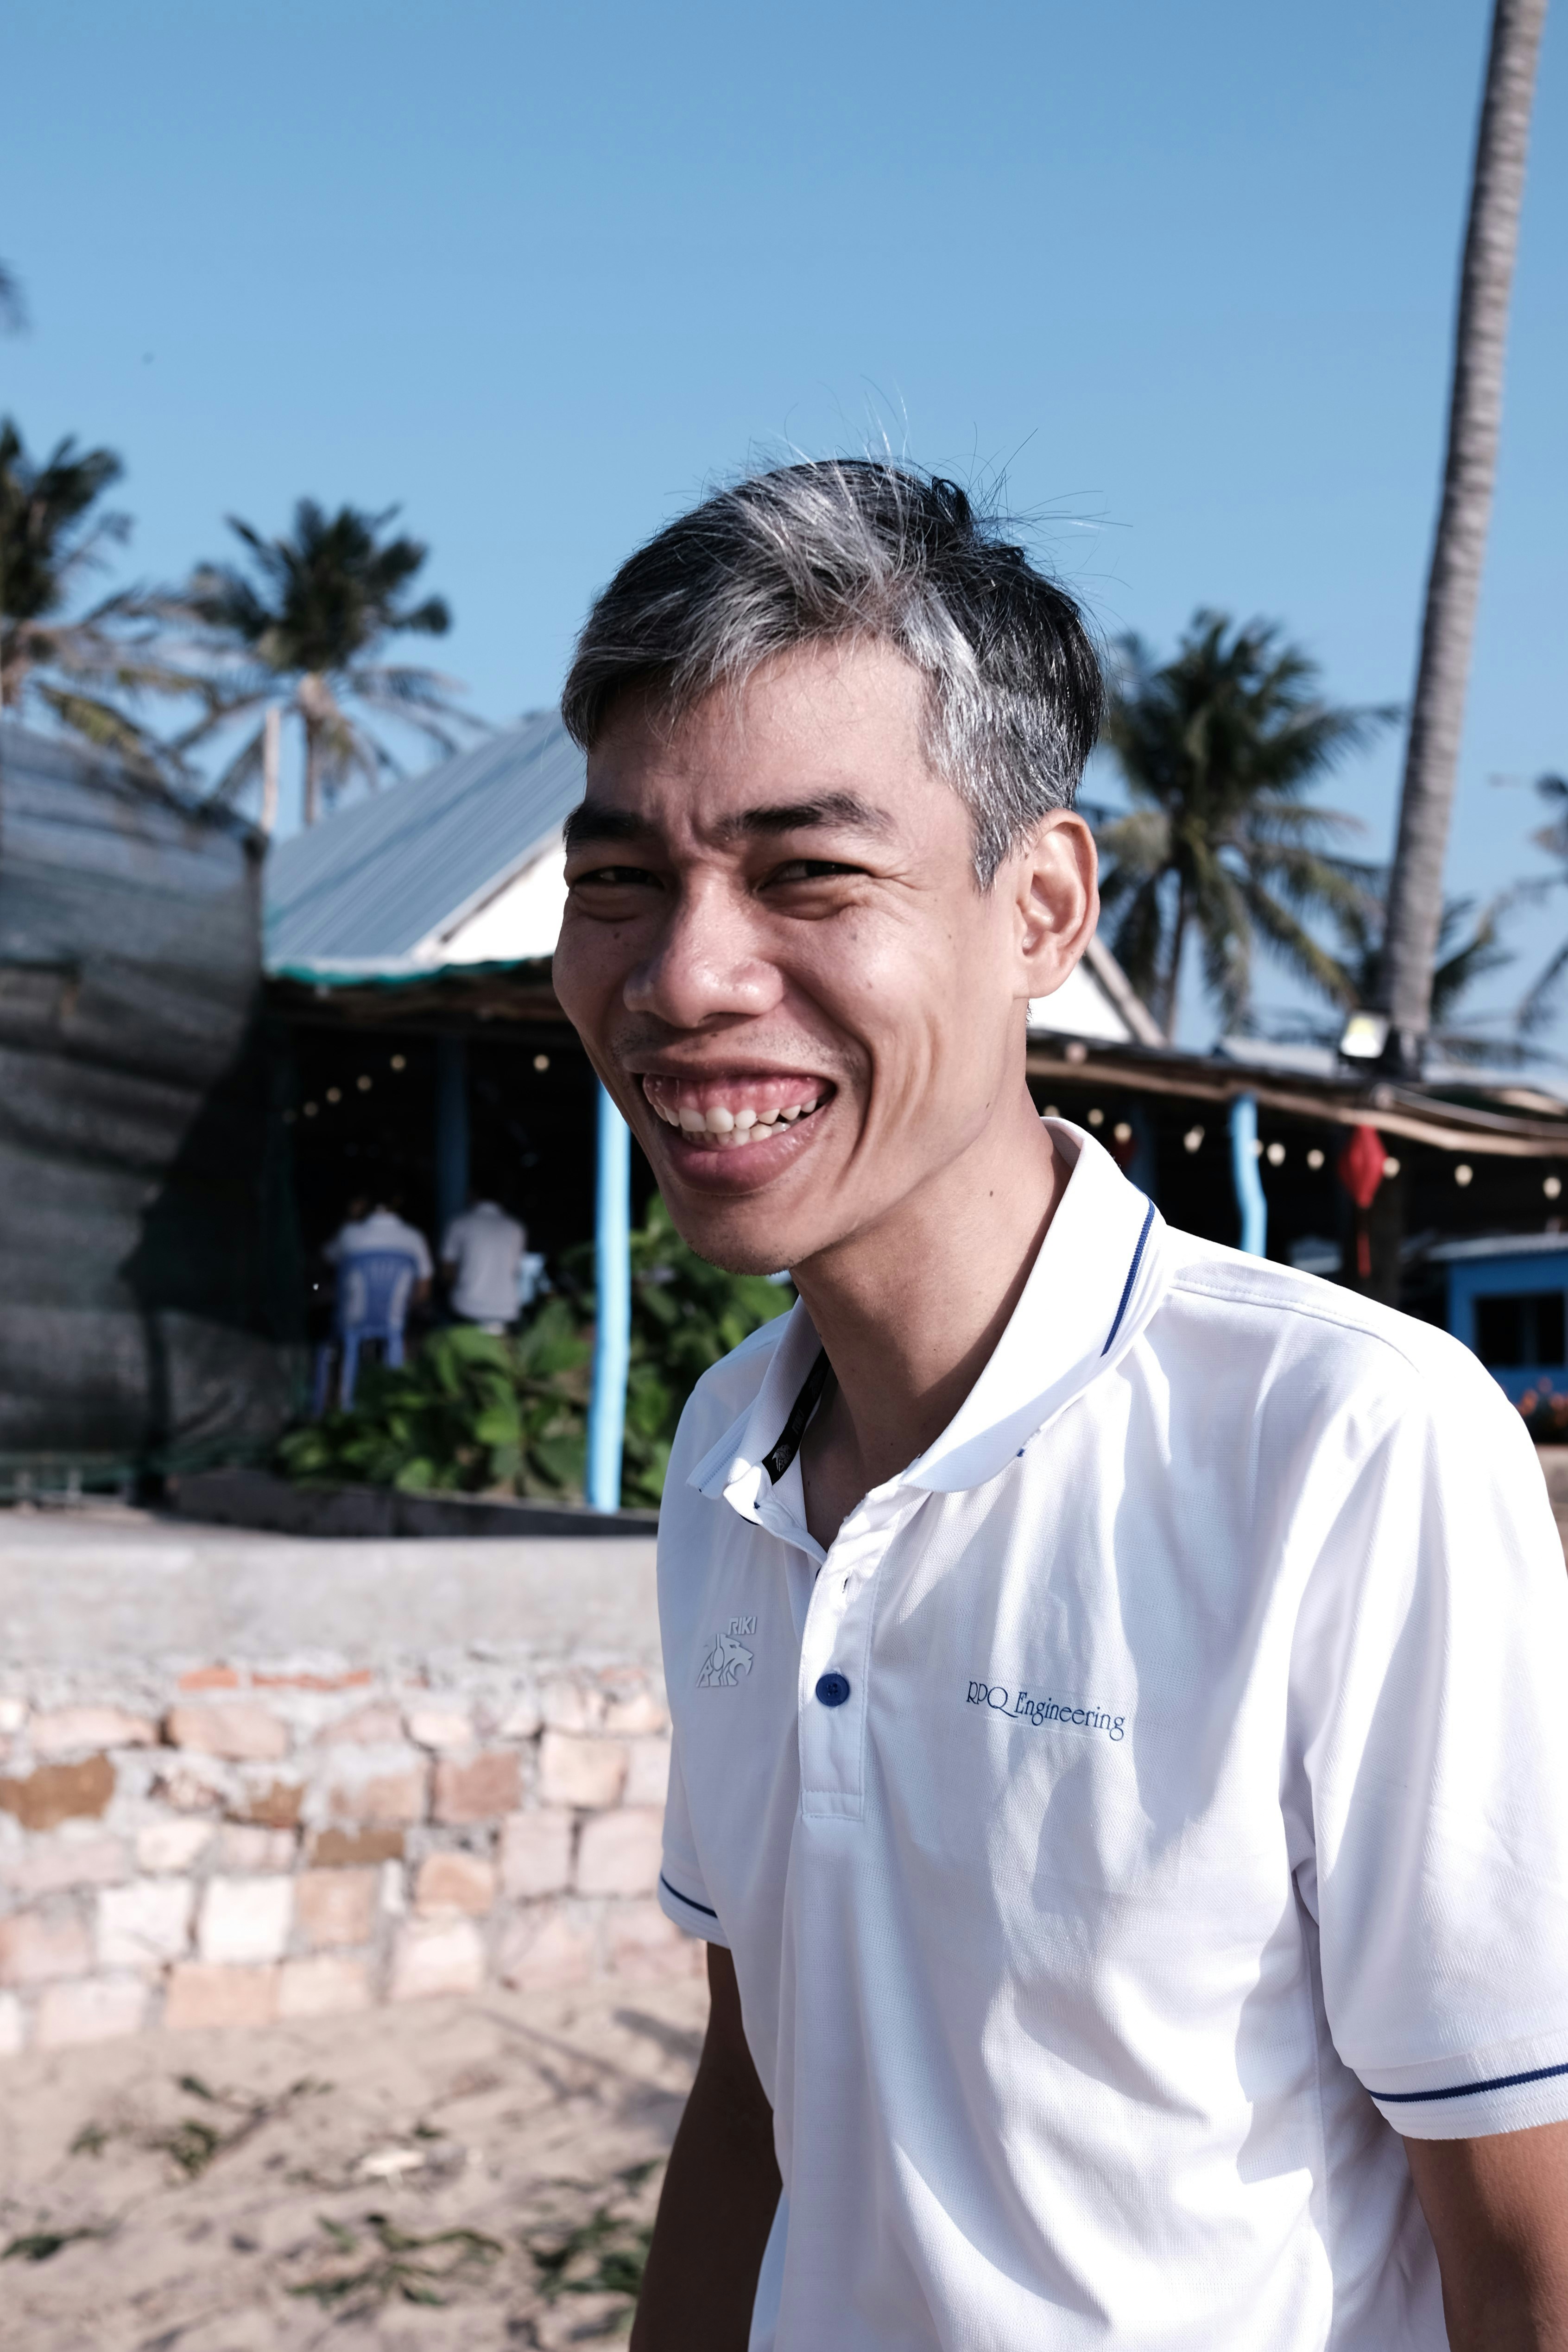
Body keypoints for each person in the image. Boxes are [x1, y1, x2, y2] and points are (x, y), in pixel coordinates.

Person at [550, 461, 1568, 2352]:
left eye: (810, 873)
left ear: (1040, 908)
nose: (684, 975)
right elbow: (761, 2094)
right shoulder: (731, 1456)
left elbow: (1529, 2243)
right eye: (620, 879)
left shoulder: (1346, 1448)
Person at [322, 1193, 433, 1306]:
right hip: (397, 1321)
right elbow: (423, 1292)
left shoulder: (348, 1234)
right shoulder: (414, 1237)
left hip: (352, 1319)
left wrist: (351, 1218)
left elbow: (326, 1258)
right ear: (398, 1201)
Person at [440, 1193, 527, 1332]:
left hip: (467, 1307)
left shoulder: (459, 1223)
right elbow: (516, 1271)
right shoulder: (516, 1228)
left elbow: (447, 1272)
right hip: (507, 1309)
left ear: (473, 1194)